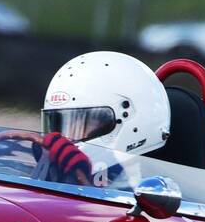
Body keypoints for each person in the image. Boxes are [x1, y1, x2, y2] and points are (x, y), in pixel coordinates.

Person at [37, 51, 173, 184]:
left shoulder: (145, 191)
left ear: (127, 116)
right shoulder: (53, 173)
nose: (65, 137)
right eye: (59, 124)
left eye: (83, 123)